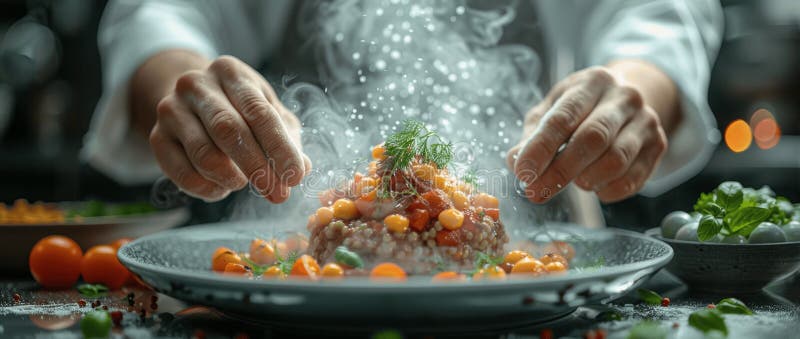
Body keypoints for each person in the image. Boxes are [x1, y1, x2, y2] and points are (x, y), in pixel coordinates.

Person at [83, 0, 722, 225]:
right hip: (290, 252)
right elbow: (160, 11)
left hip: (546, 243)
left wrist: (633, 86)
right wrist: (186, 87)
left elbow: (657, 12)